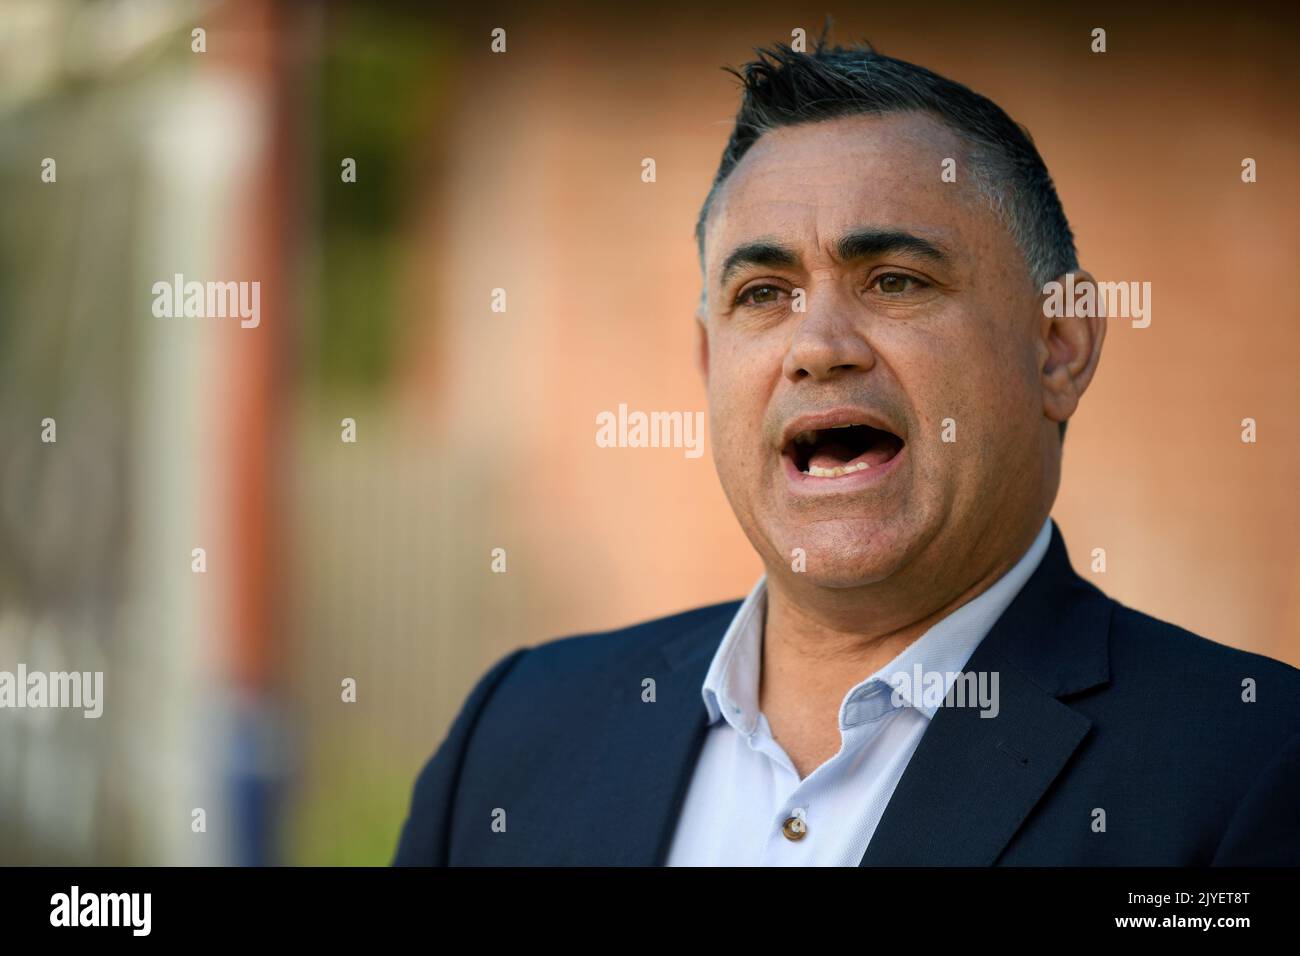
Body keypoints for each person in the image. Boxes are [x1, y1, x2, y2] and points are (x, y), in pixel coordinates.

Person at [393, 37, 1300, 866]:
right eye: (763, 293)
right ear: (710, 363)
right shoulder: (515, 734)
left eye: (895, 280)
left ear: (1059, 346)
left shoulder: (1251, 766)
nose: (818, 345)